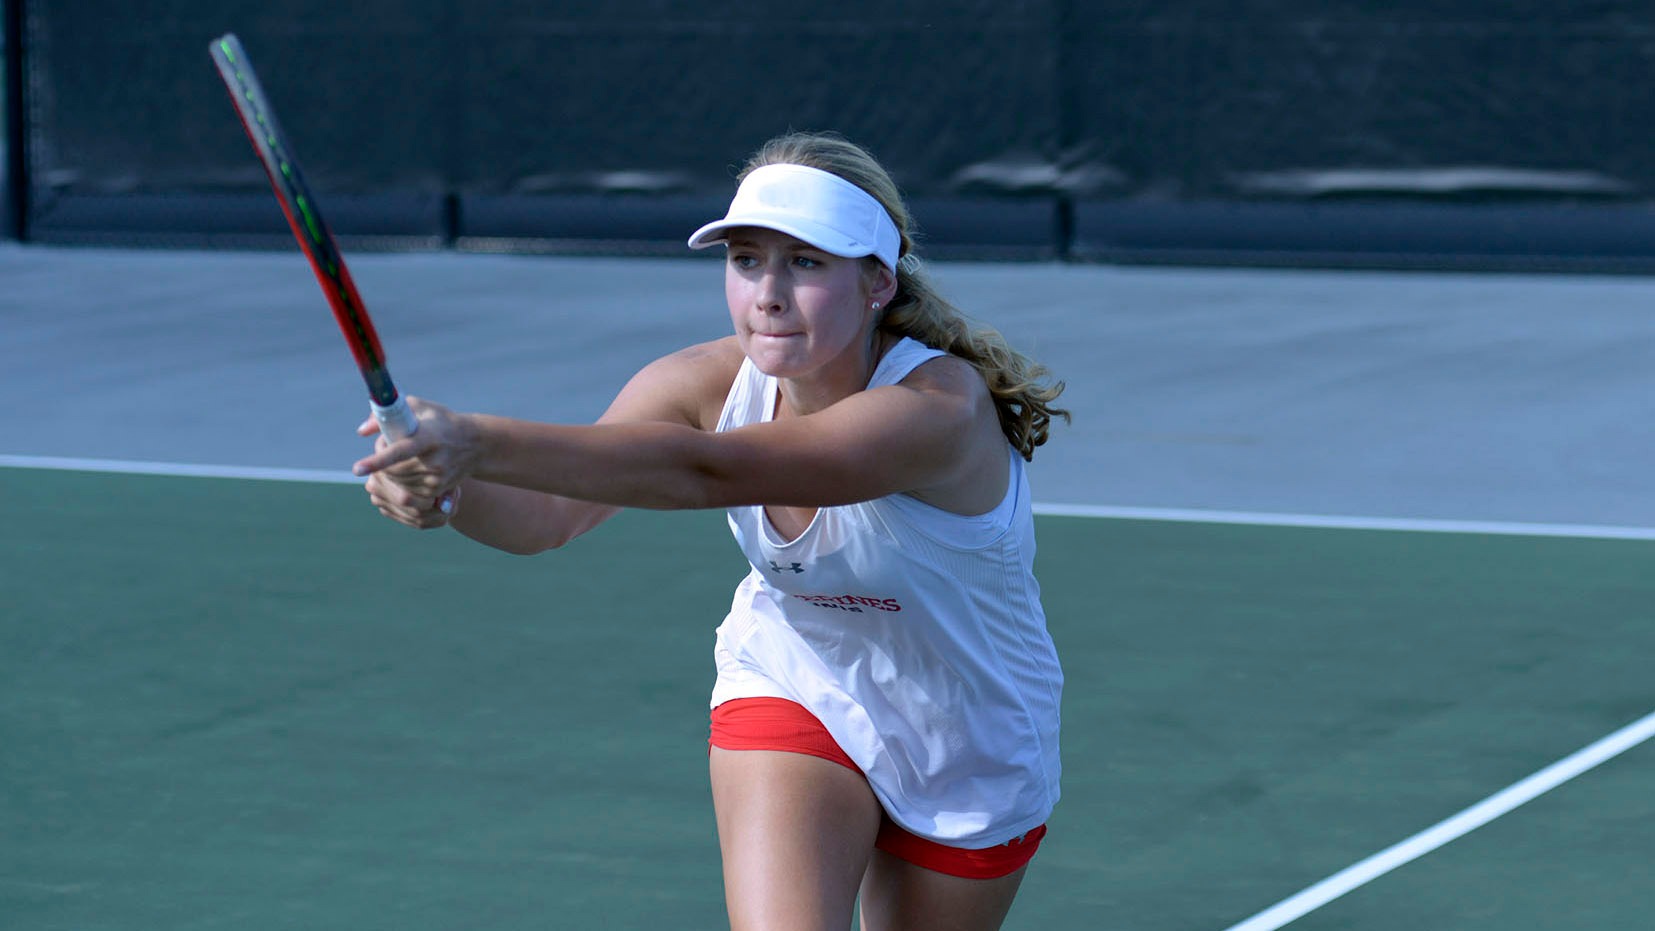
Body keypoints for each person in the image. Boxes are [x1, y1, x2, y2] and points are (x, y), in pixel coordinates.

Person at [352, 131, 1069, 931]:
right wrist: (448, 490)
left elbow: (710, 471)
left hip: (967, 732)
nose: (767, 293)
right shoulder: (697, 380)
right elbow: (546, 517)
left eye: (804, 263)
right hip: (797, 678)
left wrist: (478, 439)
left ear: (876, 281)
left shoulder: (939, 408)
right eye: (746, 260)